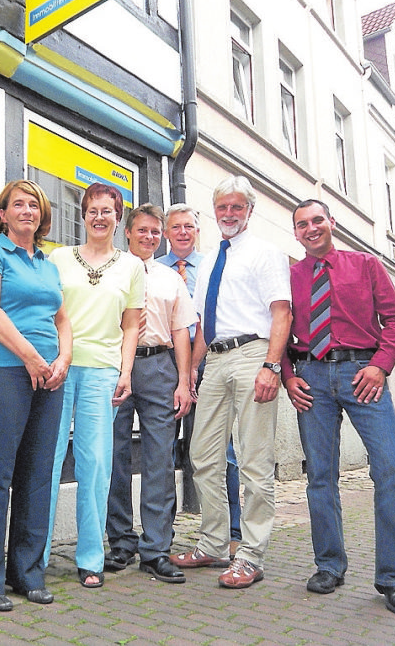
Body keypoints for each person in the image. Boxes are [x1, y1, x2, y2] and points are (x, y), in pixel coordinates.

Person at [282, 199, 395, 617]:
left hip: (363, 375)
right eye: (302, 224)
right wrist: (288, 376)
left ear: (331, 223)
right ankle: (329, 565)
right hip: (312, 378)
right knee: (320, 475)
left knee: (391, 468)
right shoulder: (288, 277)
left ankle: (393, 579)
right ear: (296, 232)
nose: (311, 228)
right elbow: (276, 329)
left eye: (317, 220)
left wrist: (380, 366)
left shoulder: (366, 265)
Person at [169, 176, 291, 591]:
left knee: (255, 462)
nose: (229, 214)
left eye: (237, 207)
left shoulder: (265, 253)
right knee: (202, 456)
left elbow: (281, 313)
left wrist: (272, 366)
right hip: (216, 362)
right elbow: (203, 325)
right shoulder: (209, 263)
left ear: (249, 211)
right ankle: (214, 543)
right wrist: (188, 375)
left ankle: (252, 554)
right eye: (223, 207)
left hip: (253, 355)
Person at [0, 180, 72, 611]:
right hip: (4, 371)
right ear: (3, 214)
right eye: (18, 205)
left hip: (49, 376)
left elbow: (62, 317)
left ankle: (27, 573)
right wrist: (31, 357)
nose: (27, 210)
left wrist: (64, 357)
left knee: (37, 474)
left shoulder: (48, 264)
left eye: (34, 205)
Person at [45, 182, 144, 588]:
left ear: (118, 218)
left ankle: (90, 556)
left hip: (103, 371)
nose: (100, 216)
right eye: (92, 210)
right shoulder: (57, 258)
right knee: (46, 463)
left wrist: (125, 371)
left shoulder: (131, 266)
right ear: (82, 215)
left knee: (96, 465)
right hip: (58, 369)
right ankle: (33, 553)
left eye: (108, 210)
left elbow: (132, 324)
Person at [105, 204, 196, 584]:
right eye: (142, 230)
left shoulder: (170, 277)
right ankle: (122, 541)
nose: (149, 237)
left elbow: (180, 331)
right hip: (114, 363)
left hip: (159, 366)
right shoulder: (110, 269)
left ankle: (156, 547)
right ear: (128, 233)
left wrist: (184, 380)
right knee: (115, 454)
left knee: (160, 456)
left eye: (155, 232)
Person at [157, 204, 243, 555]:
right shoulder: (153, 269)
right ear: (166, 232)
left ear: (197, 230)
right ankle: (164, 534)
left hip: (210, 363)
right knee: (162, 452)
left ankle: (232, 531)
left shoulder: (212, 266)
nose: (182, 232)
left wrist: (197, 364)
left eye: (189, 227)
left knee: (221, 452)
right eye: (175, 227)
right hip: (166, 366)